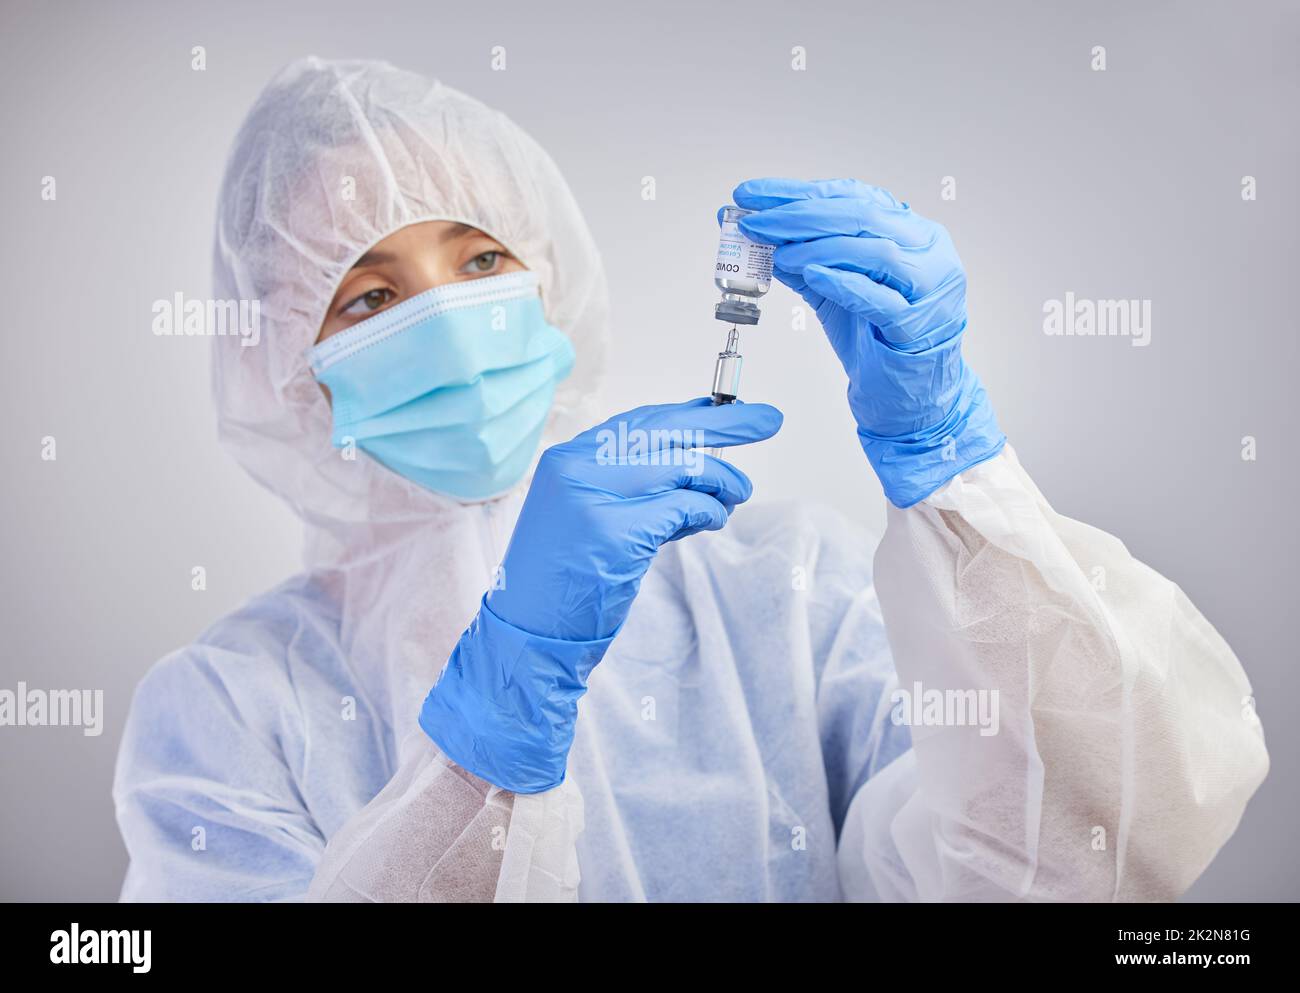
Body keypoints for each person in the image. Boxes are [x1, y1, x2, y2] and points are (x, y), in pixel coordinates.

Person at [112, 56, 1268, 902]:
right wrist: (497, 714)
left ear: (551, 277)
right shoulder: (226, 712)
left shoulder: (781, 591)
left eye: (480, 260)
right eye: (367, 298)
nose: (454, 330)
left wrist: (959, 480)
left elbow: (1069, 861)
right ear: (281, 369)